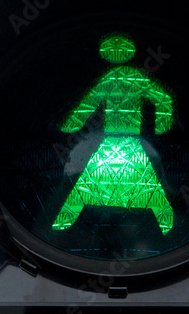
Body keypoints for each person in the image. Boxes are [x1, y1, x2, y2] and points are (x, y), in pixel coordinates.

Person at [53, 33, 175, 234]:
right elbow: (163, 100)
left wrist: (68, 125)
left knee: (90, 182)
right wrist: (161, 125)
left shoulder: (114, 79)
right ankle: (167, 224)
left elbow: (87, 104)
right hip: (127, 141)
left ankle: (63, 221)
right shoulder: (135, 78)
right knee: (144, 184)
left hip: (117, 141)